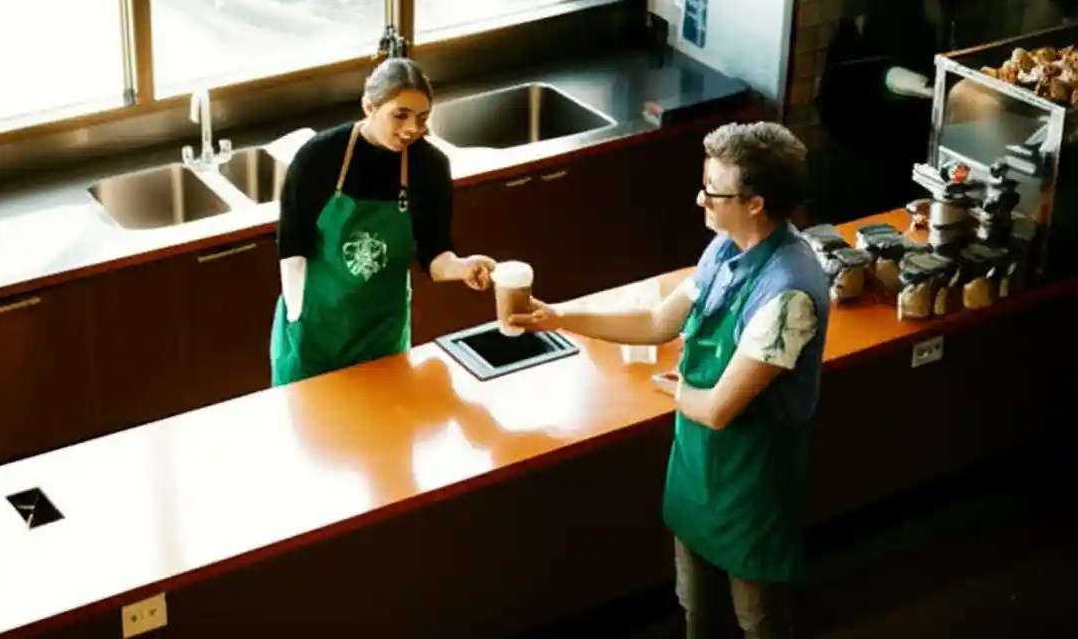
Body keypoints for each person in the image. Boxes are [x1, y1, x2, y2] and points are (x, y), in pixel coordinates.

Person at [510, 122, 830, 638]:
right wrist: (559, 316)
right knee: (697, 609)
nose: (700, 197)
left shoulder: (788, 294)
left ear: (754, 203)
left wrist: (671, 388)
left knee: (758, 620)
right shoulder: (726, 248)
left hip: (752, 478)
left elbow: (717, 409)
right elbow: (659, 322)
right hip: (698, 464)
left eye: (713, 190)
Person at [270, 58, 496, 386]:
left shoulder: (429, 166)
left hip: (381, 335)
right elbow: (291, 246)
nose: (412, 129)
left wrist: (462, 267)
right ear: (369, 106)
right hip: (315, 333)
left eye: (422, 118)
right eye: (400, 115)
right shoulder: (319, 159)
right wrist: (296, 315)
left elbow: (435, 255)